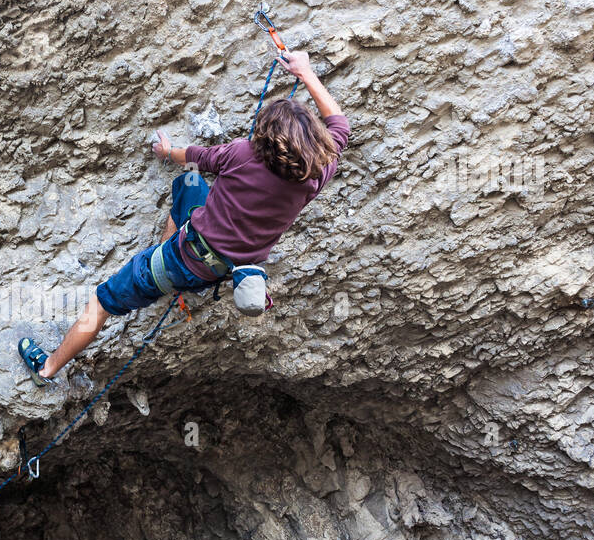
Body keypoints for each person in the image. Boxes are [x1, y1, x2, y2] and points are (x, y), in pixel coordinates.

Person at [18, 50, 351, 385]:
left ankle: (48, 367)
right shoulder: (318, 172)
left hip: (184, 259)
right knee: (188, 185)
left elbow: (191, 156)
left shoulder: (240, 154)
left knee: (103, 300)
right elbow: (340, 125)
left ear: (264, 137)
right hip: (224, 269)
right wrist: (306, 72)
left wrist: (165, 151)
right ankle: (170, 273)